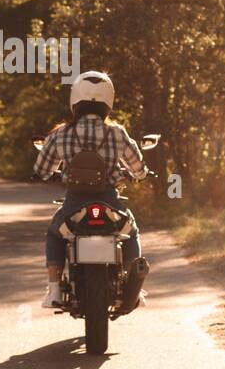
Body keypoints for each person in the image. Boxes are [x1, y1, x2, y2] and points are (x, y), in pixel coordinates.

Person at [33, 70, 148, 309]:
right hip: (110, 201)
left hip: (74, 204)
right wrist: (141, 175)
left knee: (55, 233)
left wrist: (40, 175)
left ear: (75, 98)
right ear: (109, 100)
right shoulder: (117, 132)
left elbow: (42, 169)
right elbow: (137, 166)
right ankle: (133, 287)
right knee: (131, 232)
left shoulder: (60, 133)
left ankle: (54, 289)